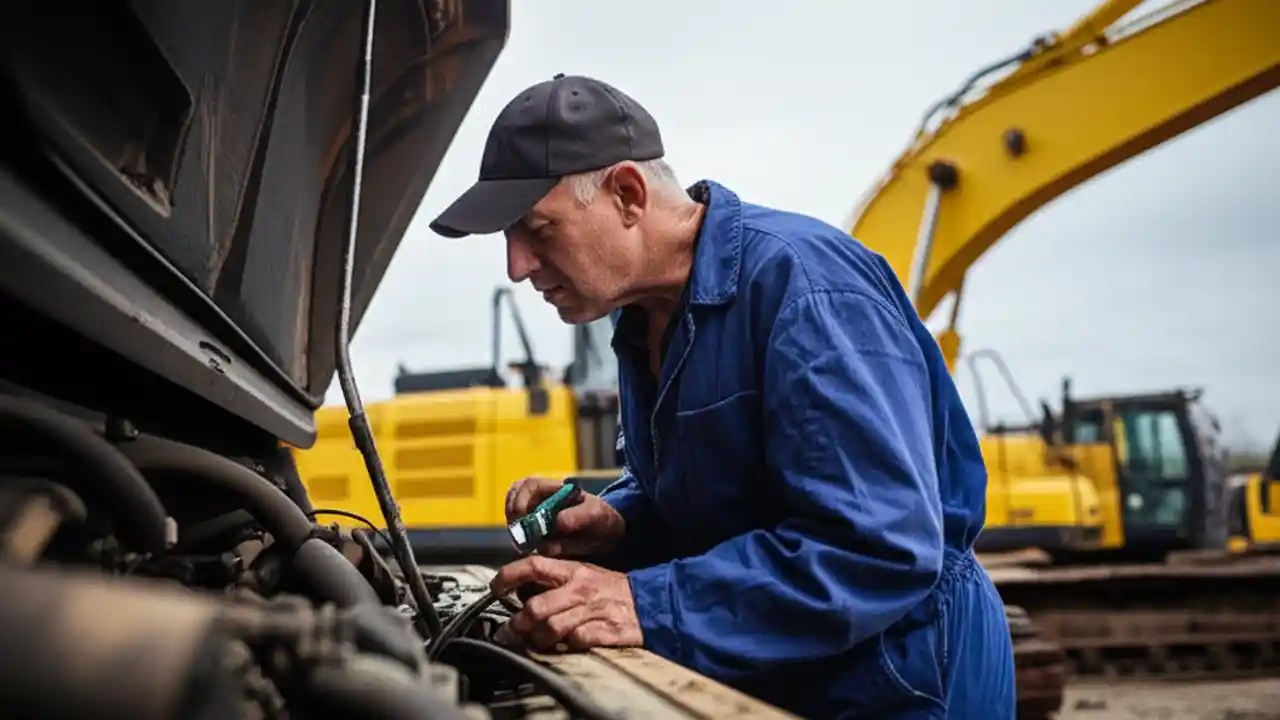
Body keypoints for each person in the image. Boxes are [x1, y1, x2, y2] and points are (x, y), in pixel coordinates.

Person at [428, 73, 1016, 720]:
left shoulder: (808, 292)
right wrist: (622, 521)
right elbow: (740, 499)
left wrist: (644, 604)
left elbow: (877, 545)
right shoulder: (646, 318)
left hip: (900, 675)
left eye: (537, 229)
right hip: (803, 669)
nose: (516, 266)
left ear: (627, 194)